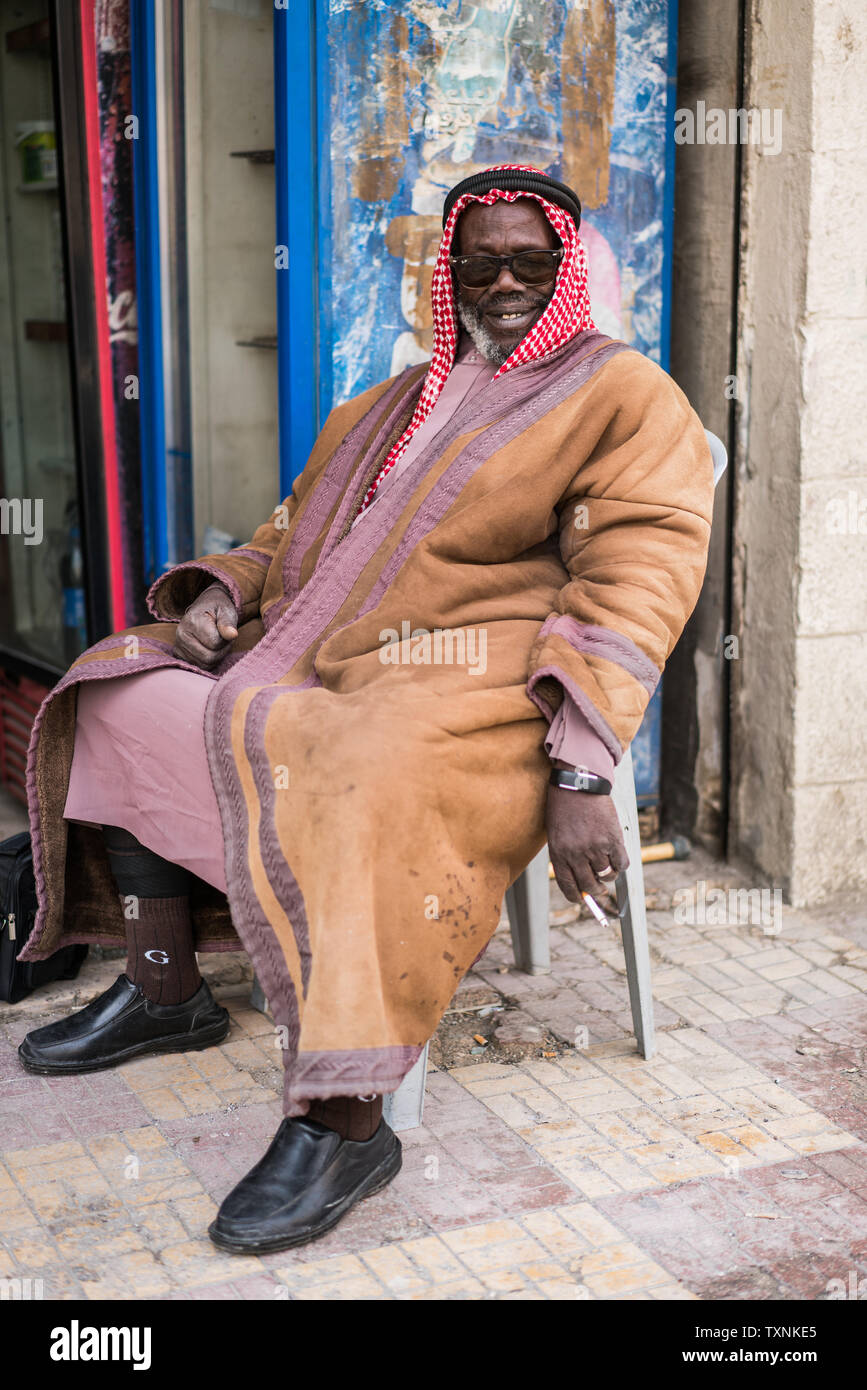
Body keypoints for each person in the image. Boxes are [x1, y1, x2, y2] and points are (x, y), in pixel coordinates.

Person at [18, 165, 713, 1254]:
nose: (504, 283)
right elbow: (289, 526)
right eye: (480, 264)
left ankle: (344, 1117)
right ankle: (164, 989)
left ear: (570, 270)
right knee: (126, 685)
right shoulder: (388, 399)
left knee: (357, 763)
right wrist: (226, 587)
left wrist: (582, 763)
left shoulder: (626, 399)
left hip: (477, 686)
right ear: (452, 276)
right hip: (319, 655)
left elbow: (641, 571)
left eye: (531, 261)